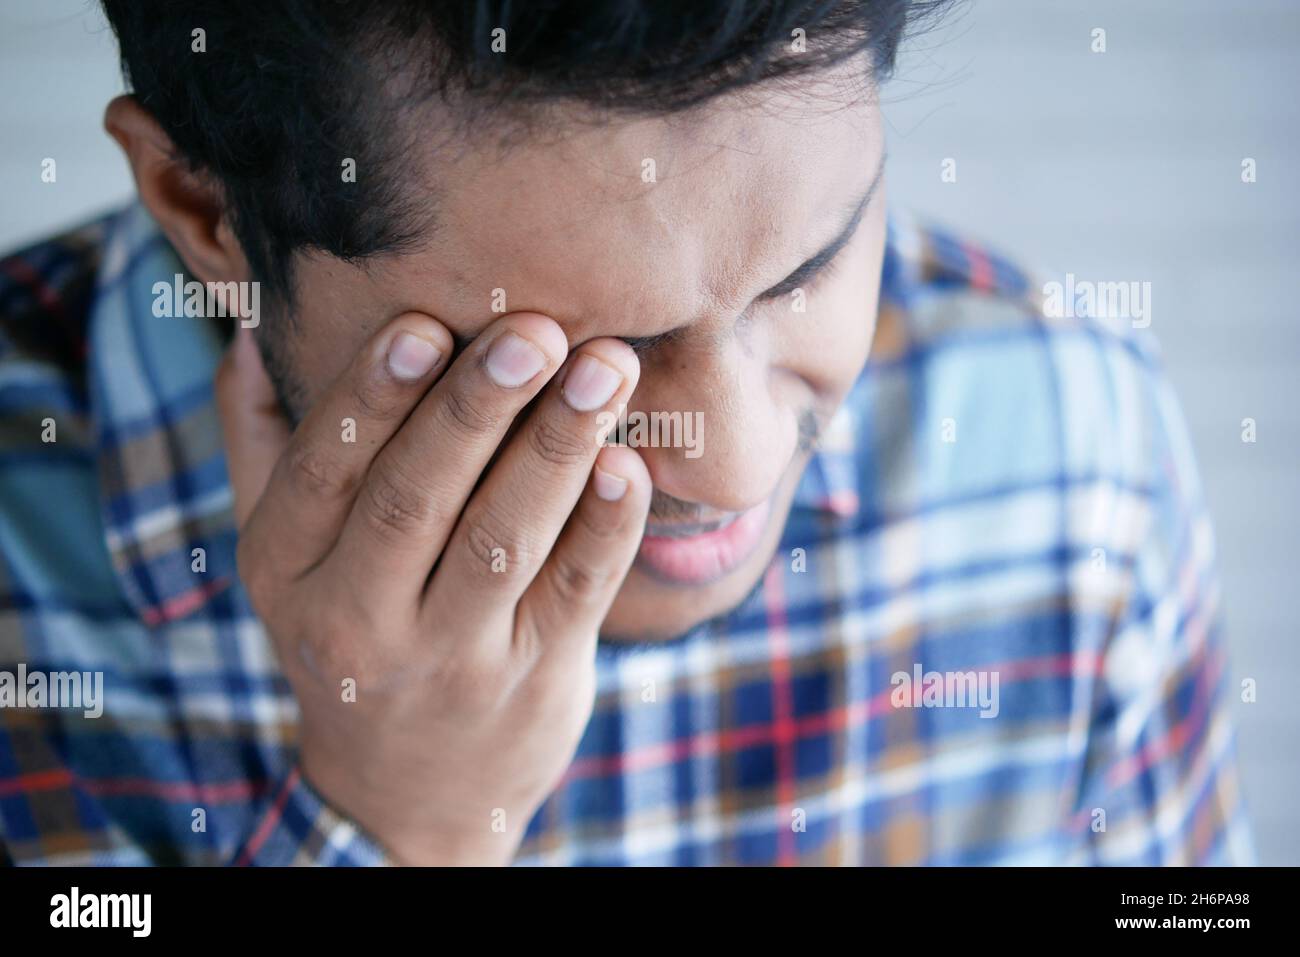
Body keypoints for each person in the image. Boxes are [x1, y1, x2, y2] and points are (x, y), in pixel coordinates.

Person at [0, 0, 1251, 865]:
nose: (739, 464)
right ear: (206, 215)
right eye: (580, 357)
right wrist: (400, 827)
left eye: (807, 266)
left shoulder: (1072, 448)